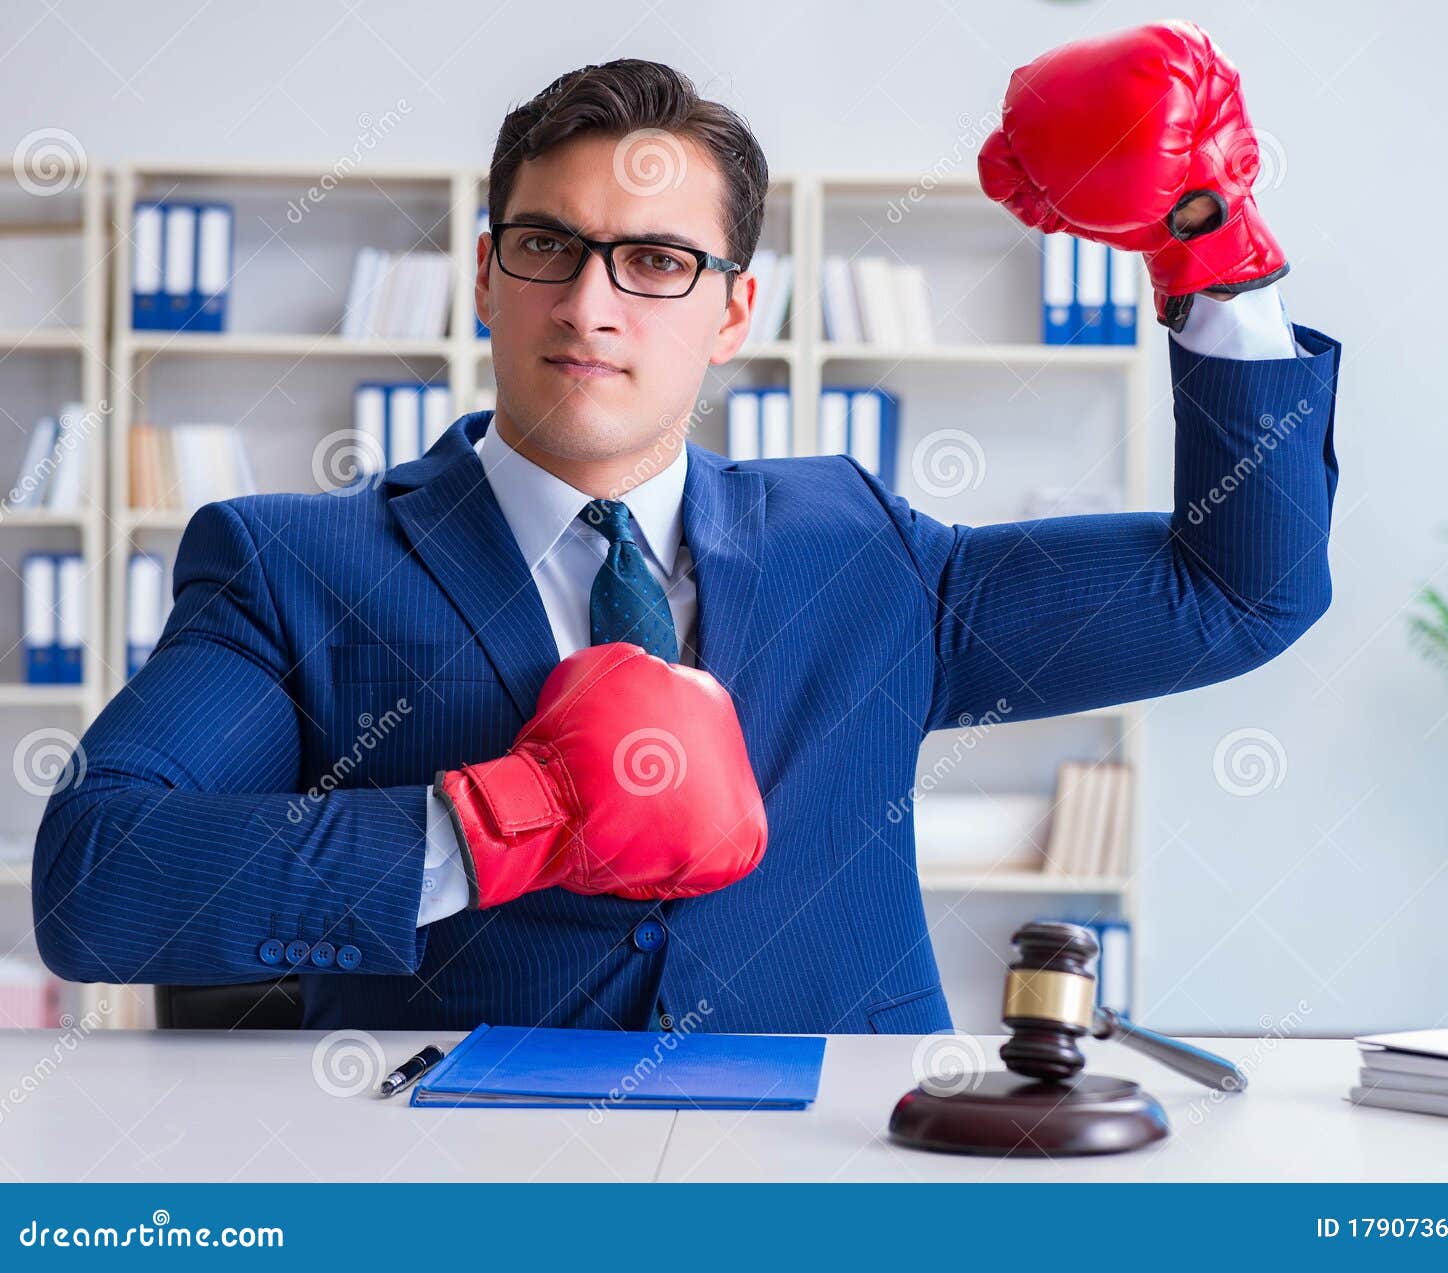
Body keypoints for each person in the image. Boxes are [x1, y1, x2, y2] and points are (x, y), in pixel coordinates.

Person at [33, 29, 1340, 1034]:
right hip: (460, 1192)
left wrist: (1211, 256)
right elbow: (96, 880)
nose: (593, 302)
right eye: (549, 246)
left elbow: (1235, 591)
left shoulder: (860, 548)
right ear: (486, 278)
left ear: (735, 312)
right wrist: (497, 821)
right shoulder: (293, 563)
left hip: (837, 1182)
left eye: (657, 262)